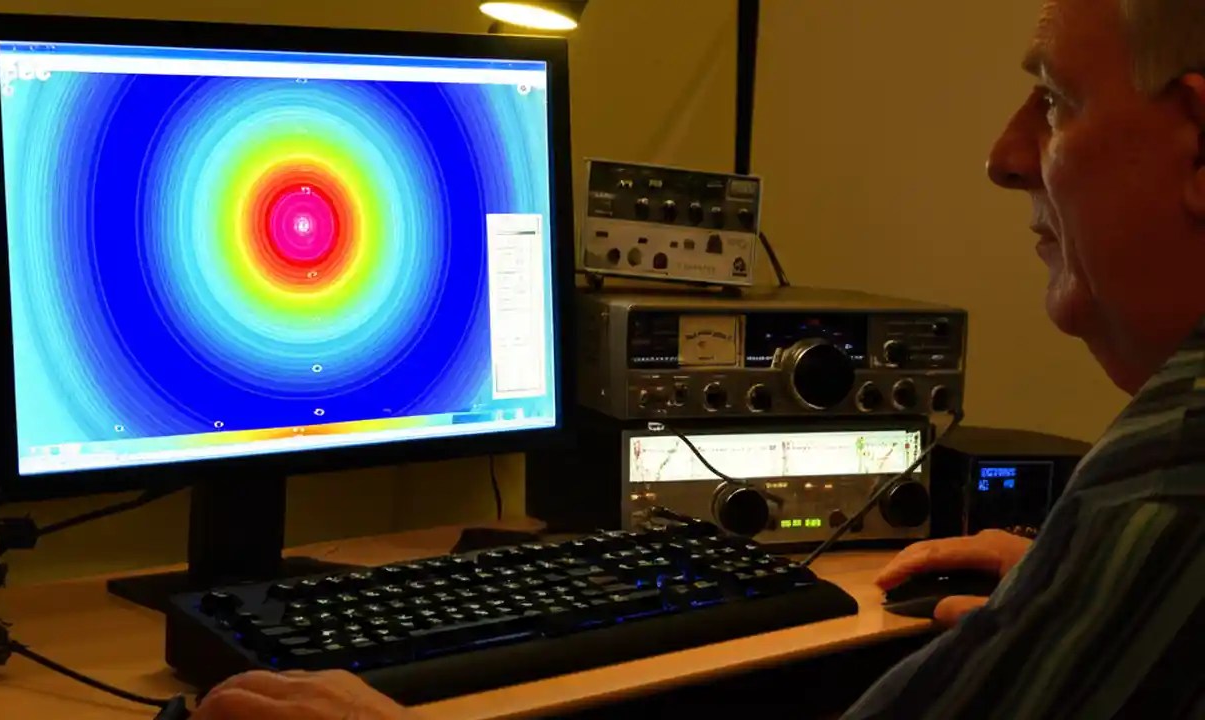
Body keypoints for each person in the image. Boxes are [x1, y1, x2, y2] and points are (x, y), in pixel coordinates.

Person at [193, 0, 1205, 716]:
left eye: (1055, 100)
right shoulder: (1147, 505)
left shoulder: (1166, 486)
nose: (1001, 153)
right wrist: (1069, 595)